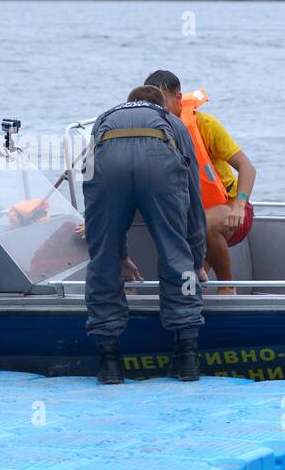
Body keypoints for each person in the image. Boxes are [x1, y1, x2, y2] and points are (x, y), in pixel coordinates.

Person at [84, 85, 208, 385]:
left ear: (129, 103)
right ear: (160, 104)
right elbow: (193, 196)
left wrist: (120, 254)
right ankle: (187, 355)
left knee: (103, 258)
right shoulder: (172, 122)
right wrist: (197, 258)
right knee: (177, 257)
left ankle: (110, 361)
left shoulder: (104, 118)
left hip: (108, 163)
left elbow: (93, 200)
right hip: (159, 160)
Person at [144, 70, 256, 294]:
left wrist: (240, 205)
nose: (157, 110)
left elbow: (248, 167)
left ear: (178, 99)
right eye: (151, 104)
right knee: (187, 287)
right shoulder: (151, 133)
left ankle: (227, 286)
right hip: (188, 218)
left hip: (231, 210)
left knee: (201, 225)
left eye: (162, 102)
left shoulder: (206, 125)